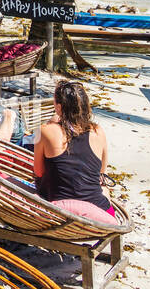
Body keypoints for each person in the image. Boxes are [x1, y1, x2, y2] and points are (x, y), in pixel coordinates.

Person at [33, 80, 115, 215]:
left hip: (60, 208)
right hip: (98, 210)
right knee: (105, 190)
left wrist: (50, 122)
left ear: (59, 107)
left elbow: (39, 172)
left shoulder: (42, 130)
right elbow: (101, 175)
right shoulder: (98, 131)